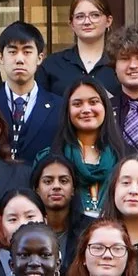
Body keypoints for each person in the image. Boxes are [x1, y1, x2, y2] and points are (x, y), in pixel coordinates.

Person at [49, 78, 124, 219]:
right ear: (67, 111)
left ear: (105, 107)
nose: (86, 109)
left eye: (93, 102)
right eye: (77, 104)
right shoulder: (50, 158)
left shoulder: (126, 157)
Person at [0, 20, 62, 165]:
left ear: (40, 58)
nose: (20, 59)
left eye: (27, 52)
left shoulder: (59, 107)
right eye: (12, 52)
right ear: (0, 57)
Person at [38, 0, 117, 99]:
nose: (87, 22)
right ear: (71, 24)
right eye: (80, 16)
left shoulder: (120, 63)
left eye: (95, 15)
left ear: (108, 21)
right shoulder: (52, 64)